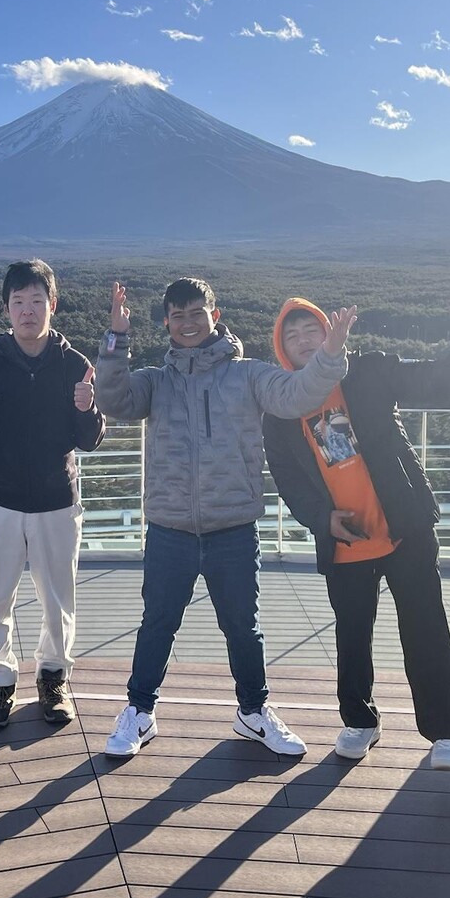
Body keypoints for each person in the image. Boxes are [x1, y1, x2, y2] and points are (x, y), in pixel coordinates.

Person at [94, 278, 354, 758]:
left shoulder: (248, 375)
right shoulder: (156, 381)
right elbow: (112, 399)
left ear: (215, 316)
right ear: (167, 323)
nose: (188, 323)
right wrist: (116, 338)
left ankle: (253, 712)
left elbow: (298, 394)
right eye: (178, 315)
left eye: (197, 313)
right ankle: (139, 712)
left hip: (233, 527)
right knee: (157, 622)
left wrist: (329, 355)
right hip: (170, 527)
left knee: (242, 625)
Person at [262, 297, 450, 771]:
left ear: (330, 333)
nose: (304, 341)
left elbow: (429, 381)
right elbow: (286, 476)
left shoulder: (366, 371)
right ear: (282, 349)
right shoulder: (280, 406)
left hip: (403, 525)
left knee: (425, 627)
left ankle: (447, 732)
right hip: (346, 538)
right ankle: (360, 721)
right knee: (352, 635)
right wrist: (320, 519)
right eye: (293, 335)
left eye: (312, 330)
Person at [0, 259, 106, 728]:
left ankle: (53, 677)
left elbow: (88, 438)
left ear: (52, 305)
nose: (27, 310)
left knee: (58, 599)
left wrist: (89, 410)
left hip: (57, 499)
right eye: (18, 301)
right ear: (6, 309)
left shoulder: (74, 363)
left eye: (36, 301)